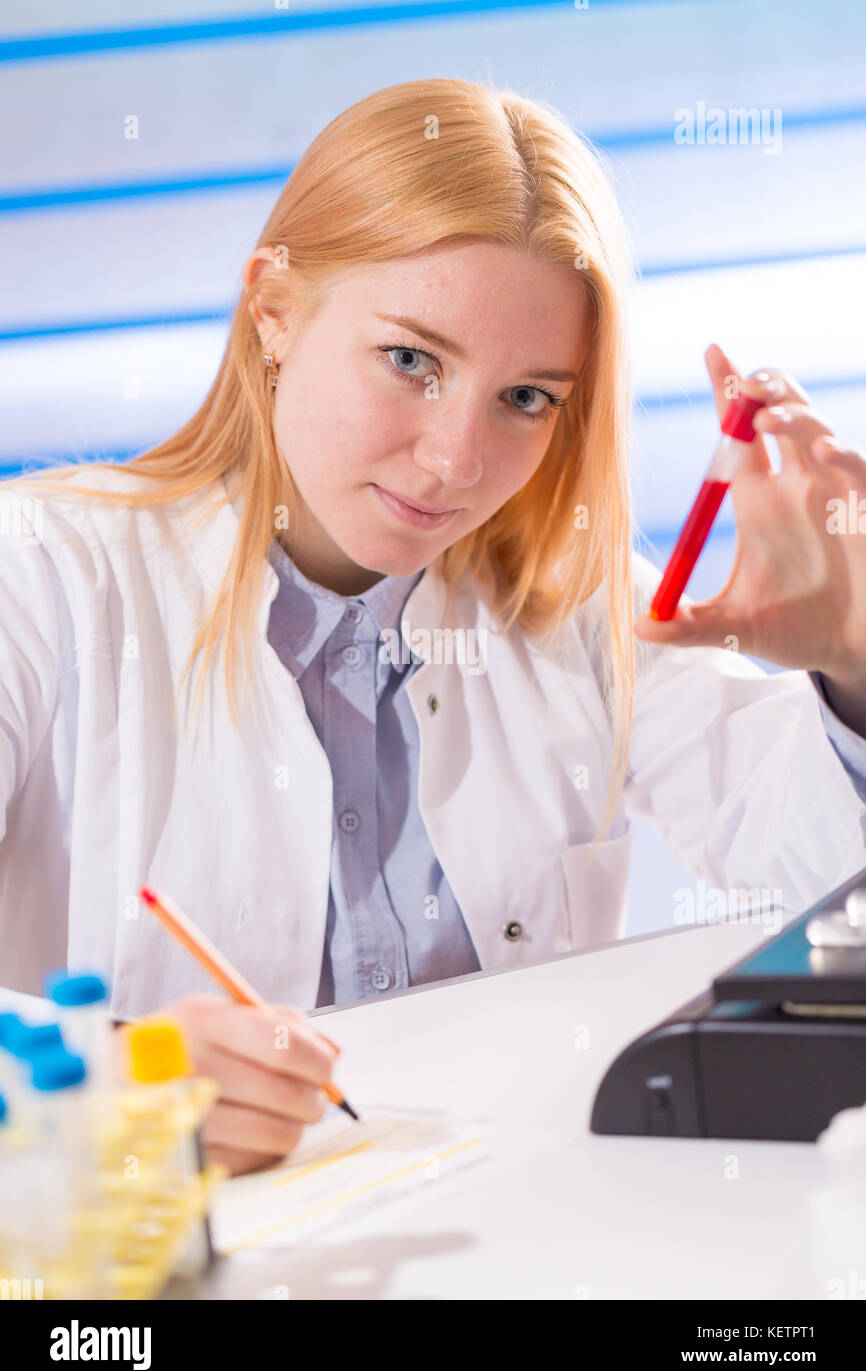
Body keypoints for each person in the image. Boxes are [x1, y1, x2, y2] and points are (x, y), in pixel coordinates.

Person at [1, 78, 865, 1176]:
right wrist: (108, 1075)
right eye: (411, 360)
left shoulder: (566, 599)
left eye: (526, 398)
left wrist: (852, 668)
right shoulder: (35, 575)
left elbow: (827, 893)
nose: (457, 460)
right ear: (273, 312)